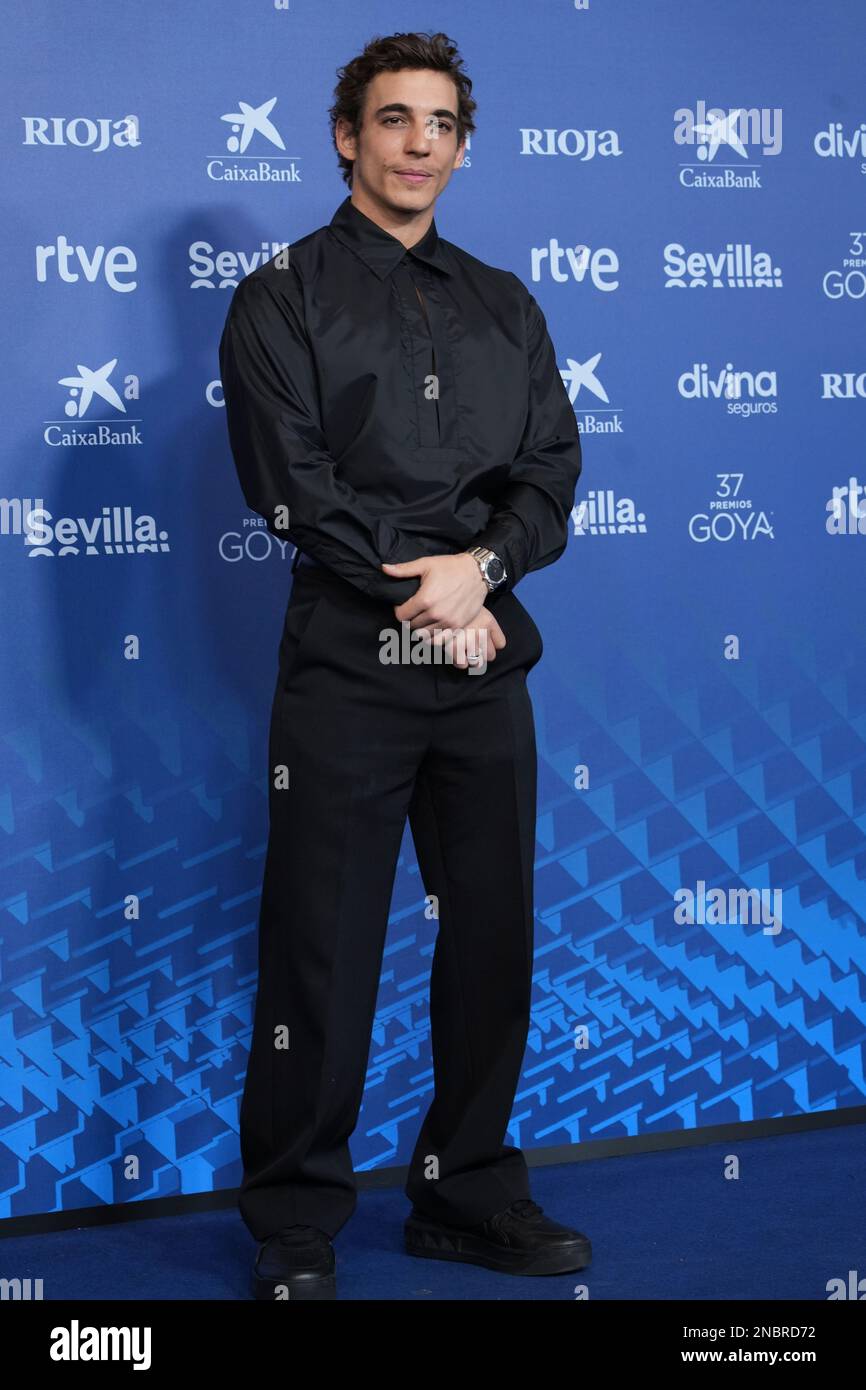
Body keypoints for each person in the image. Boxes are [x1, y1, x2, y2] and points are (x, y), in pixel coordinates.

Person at [219, 30, 588, 1300]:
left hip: (485, 662)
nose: (416, 142)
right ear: (345, 136)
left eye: (438, 123)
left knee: (491, 937)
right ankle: (295, 1217)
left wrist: (478, 573)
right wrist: (431, 590)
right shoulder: (280, 295)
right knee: (320, 944)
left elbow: (548, 478)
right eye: (391, 119)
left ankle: (465, 1189)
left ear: (461, 145)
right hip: (345, 669)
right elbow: (292, 488)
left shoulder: (506, 301)